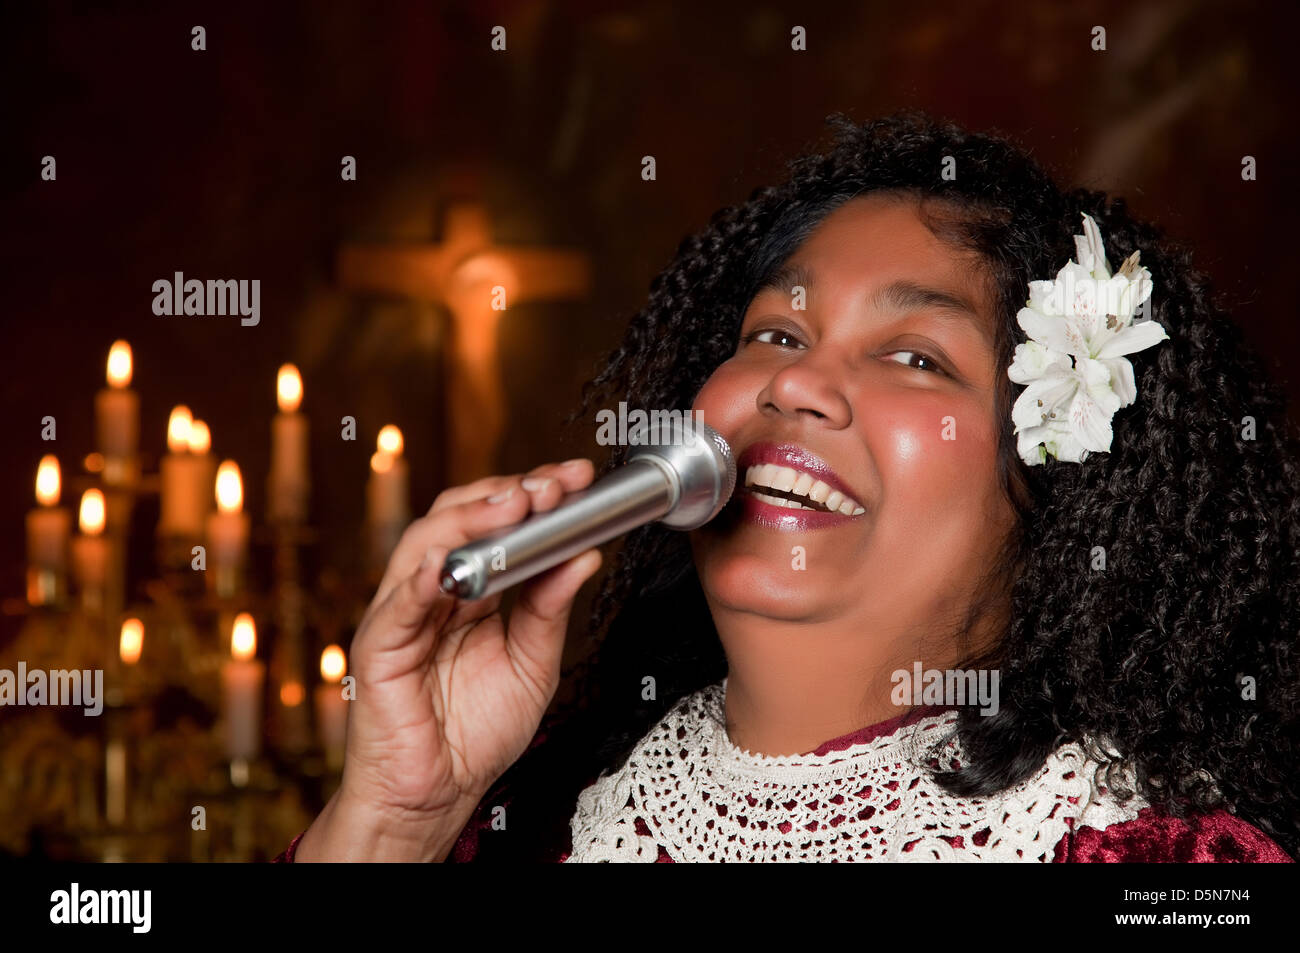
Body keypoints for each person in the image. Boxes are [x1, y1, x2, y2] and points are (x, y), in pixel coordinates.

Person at [278, 110, 1299, 863]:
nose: (795, 382)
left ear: (1059, 486)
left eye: (914, 358)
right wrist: (393, 815)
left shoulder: (1163, 859)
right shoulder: (521, 814)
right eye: (775, 333)